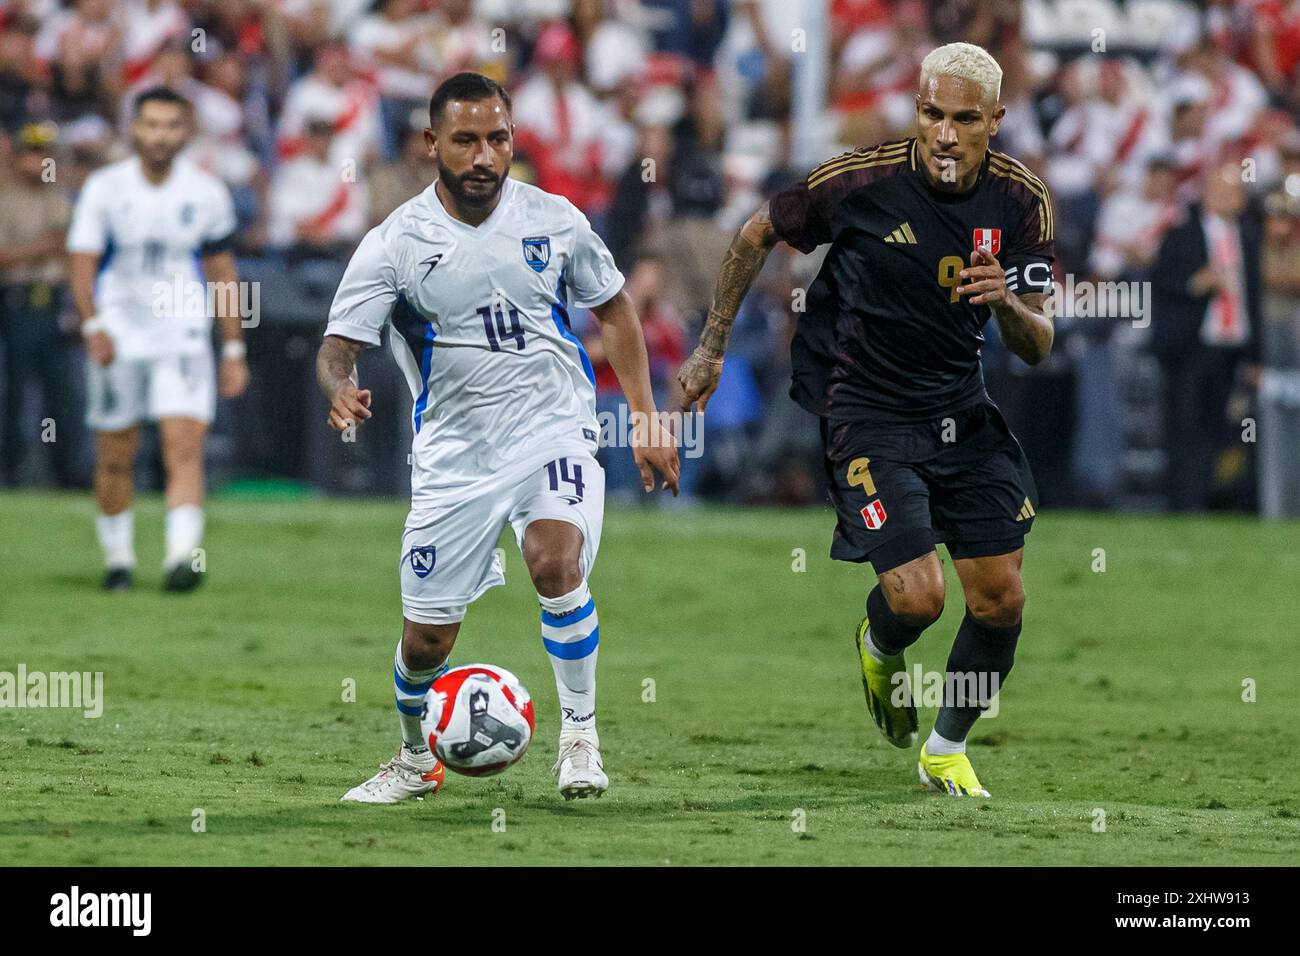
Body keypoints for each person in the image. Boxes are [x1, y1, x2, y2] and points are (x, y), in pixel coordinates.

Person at [678, 42, 1055, 798]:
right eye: (931, 114)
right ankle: (881, 643)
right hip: (865, 409)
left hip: (959, 405)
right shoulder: (859, 182)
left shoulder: (1022, 203)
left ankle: (945, 749)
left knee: (1001, 596)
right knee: (920, 597)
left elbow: (1039, 341)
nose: (944, 134)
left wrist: (1006, 302)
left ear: (996, 121)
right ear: (916, 109)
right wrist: (712, 345)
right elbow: (756, 231)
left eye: (964, 119)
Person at [316, 72, 679, 804]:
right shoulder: (395, 244)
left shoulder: (555, 218)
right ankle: (417, 759)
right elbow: (336, 347)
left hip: (553, 430)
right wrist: (339, 390)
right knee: (427, 643)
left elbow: (614, 310)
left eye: (498, 139)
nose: (485, 155)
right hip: (454, 456)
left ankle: (580, 739)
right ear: (432, 145)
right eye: (467, 140)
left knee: (555, 561)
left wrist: (645, 415)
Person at [67, 87, 250, 592]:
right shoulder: (105, 187)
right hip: (119, 328)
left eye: (171, 125)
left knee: (183, 443)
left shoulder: (206, 191)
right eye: (151, 124)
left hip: (183, 329)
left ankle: (180, 558)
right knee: (114, 451)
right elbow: (81, 263)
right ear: (134, 129)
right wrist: (92, 325)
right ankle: (119, 559)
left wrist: (233, 348)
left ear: (186, 132)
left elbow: (222, 272)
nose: (160, 135)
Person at [1150, 159, 1263, 512]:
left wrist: (1256, 357)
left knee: (1219, 429)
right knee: (1185, 427)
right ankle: (1183, 504)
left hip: (1231, 347)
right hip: (1191, 348)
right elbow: (1158, 280)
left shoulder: (1246, 236)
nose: (1238, 197)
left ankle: (1210, 501)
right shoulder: (1182, 233)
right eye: (1230, 189)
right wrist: (1193, 284)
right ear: (1211, 194)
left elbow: (1254, 300)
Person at [0, 122, 78, 487]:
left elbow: (75, 253)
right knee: (13, 391)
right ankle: (10, 470)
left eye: (44, 154)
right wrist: (41, 248)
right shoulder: (6, 199)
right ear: (17, 158)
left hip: (54, 305)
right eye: (32, 154)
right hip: (17, 303)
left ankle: (64, 470)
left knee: (60, 393)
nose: (39, 162)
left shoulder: (58, 198)